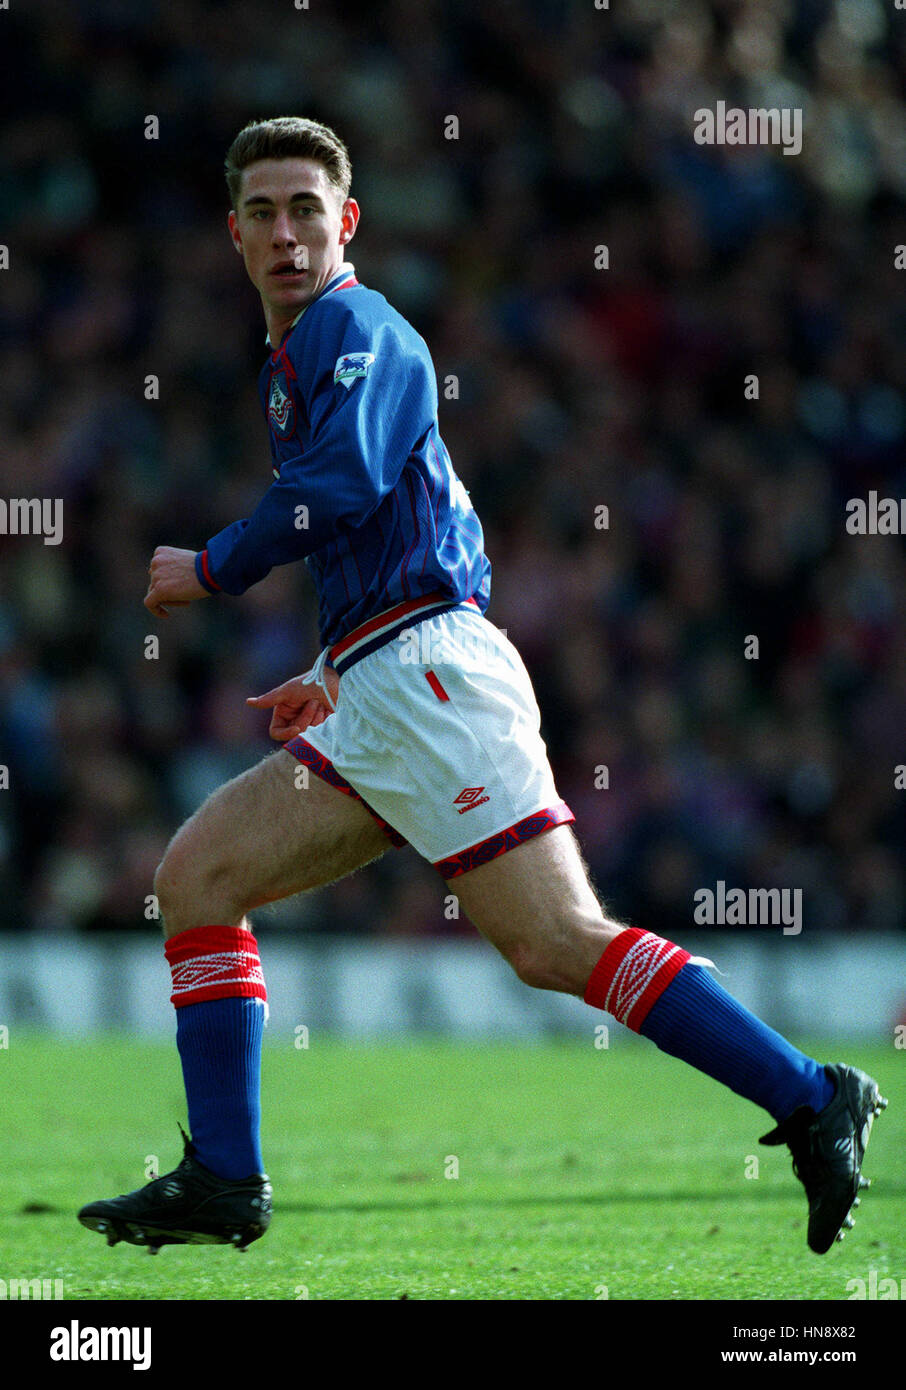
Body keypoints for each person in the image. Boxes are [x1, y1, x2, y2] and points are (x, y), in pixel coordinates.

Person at [78, 117, 885, 1259]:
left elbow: (343, 490)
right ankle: (224, 1176)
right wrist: (328, 666)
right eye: (261, 212)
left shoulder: (354, 327)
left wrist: (208, 566)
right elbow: (406, 522)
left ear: (345, 222)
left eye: (306, 208)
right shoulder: (299, 353)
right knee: (197, 875)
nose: (285, 233)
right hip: (381, 682)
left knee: (555, 940)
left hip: (432, 680)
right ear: (234, 234)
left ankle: (812, 1093)